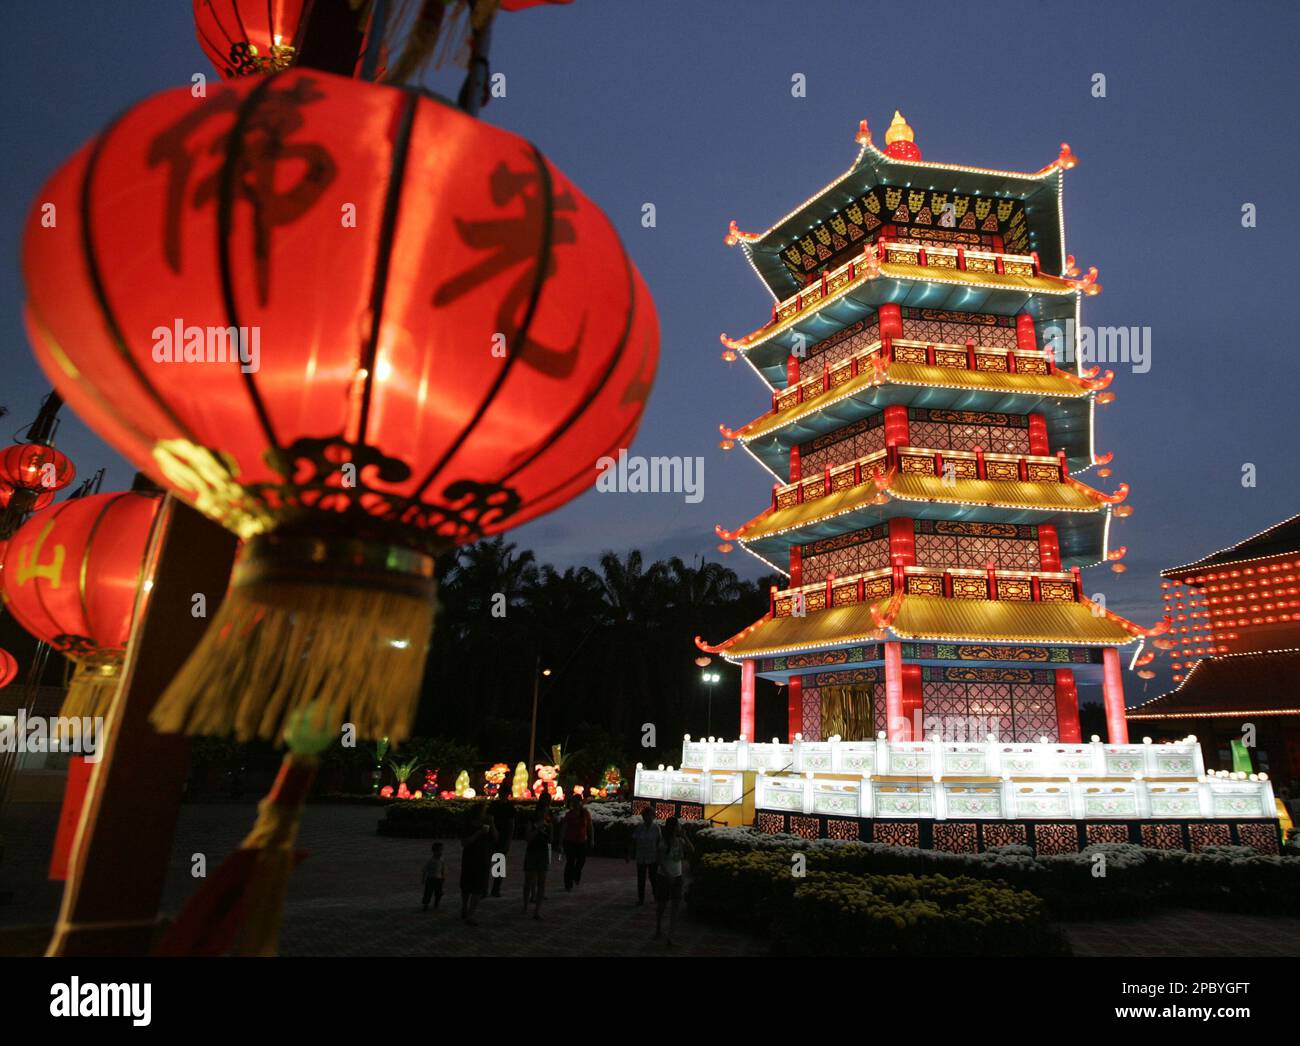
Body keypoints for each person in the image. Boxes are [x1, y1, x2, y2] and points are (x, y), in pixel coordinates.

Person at [654, 816, 693, 946]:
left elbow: (692, 849)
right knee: (662, 905)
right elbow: (659, 860)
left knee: (675, 906)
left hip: (677, 876)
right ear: (673, 827)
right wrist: (667, 874)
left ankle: (670, 935)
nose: (679, 827)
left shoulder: (680, 841)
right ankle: (659, 926)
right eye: (678, 825)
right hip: (664, 877)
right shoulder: (664, 842)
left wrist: (685, 837)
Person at [459, 806, 496, 925]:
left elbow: (496, 838)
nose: (485, 814)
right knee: (467, 885)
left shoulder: (487, 825)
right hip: (470, 858)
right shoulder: (469, 825)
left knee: (478, 888)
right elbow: (464, 842)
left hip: (483, 858)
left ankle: (470, 913)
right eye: (483, 812)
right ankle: (465, 908)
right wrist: (478, 833)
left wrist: (492, 824)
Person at [522, 805, 553, 919]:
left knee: (542, 882)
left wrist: (549, 829)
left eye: (545, 812)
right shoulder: (532, 822)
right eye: (541, 812)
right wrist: (538, 828)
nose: (543, 814)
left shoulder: (548, 822)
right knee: (528, 881)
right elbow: (528, 837)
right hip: (532, 852)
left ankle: (537, 910)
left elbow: (551, 839)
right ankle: (525, 905)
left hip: (543, 852)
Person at [628, 806, 661, 905]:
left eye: (649, 816)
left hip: (653, 857)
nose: (647, 818)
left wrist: (660, 857)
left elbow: (659, 842)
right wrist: (629, 853)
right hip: (641, 857)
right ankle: (641, 899)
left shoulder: (656, 828)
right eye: (645, 816)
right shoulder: (639, 828)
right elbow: (633, 841)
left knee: (653, 878)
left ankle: (656, 896)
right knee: (641, 879)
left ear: (653, 817)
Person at [560, 793, 593, 890]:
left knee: (581, 861)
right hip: (570, 841)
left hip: (582, 841)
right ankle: (568, 883)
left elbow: (590, 827)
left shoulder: (585, 813)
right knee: (570, 862)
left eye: (578, 802)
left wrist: (592, 839)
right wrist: (560, 842)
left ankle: (576, 875)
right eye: (574, 802)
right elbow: (564, 828)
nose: (576, 804)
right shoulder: (569, 814)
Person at [489, 788, 516, 897]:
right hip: (492, 836)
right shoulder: (494, 805)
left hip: (503, 838)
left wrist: (508, 840)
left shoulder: (509, 808)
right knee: (488, 863)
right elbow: (489, 820)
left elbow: (511, 825)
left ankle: (496, 889)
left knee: (499, 864)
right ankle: (486, 888)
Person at [421, 842, 445, 912]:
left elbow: (442, 869)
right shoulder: (430, 860)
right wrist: (423, 879)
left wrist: (443, 876)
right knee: (428, 893)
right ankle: (426, 905)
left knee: (439, 893)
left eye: (441, 850)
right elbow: (424, 870)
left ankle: (436, 904)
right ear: (434, 851)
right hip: (430, 879)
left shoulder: (441, 860)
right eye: (439, 850)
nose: (441, 852)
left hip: (439, 879)